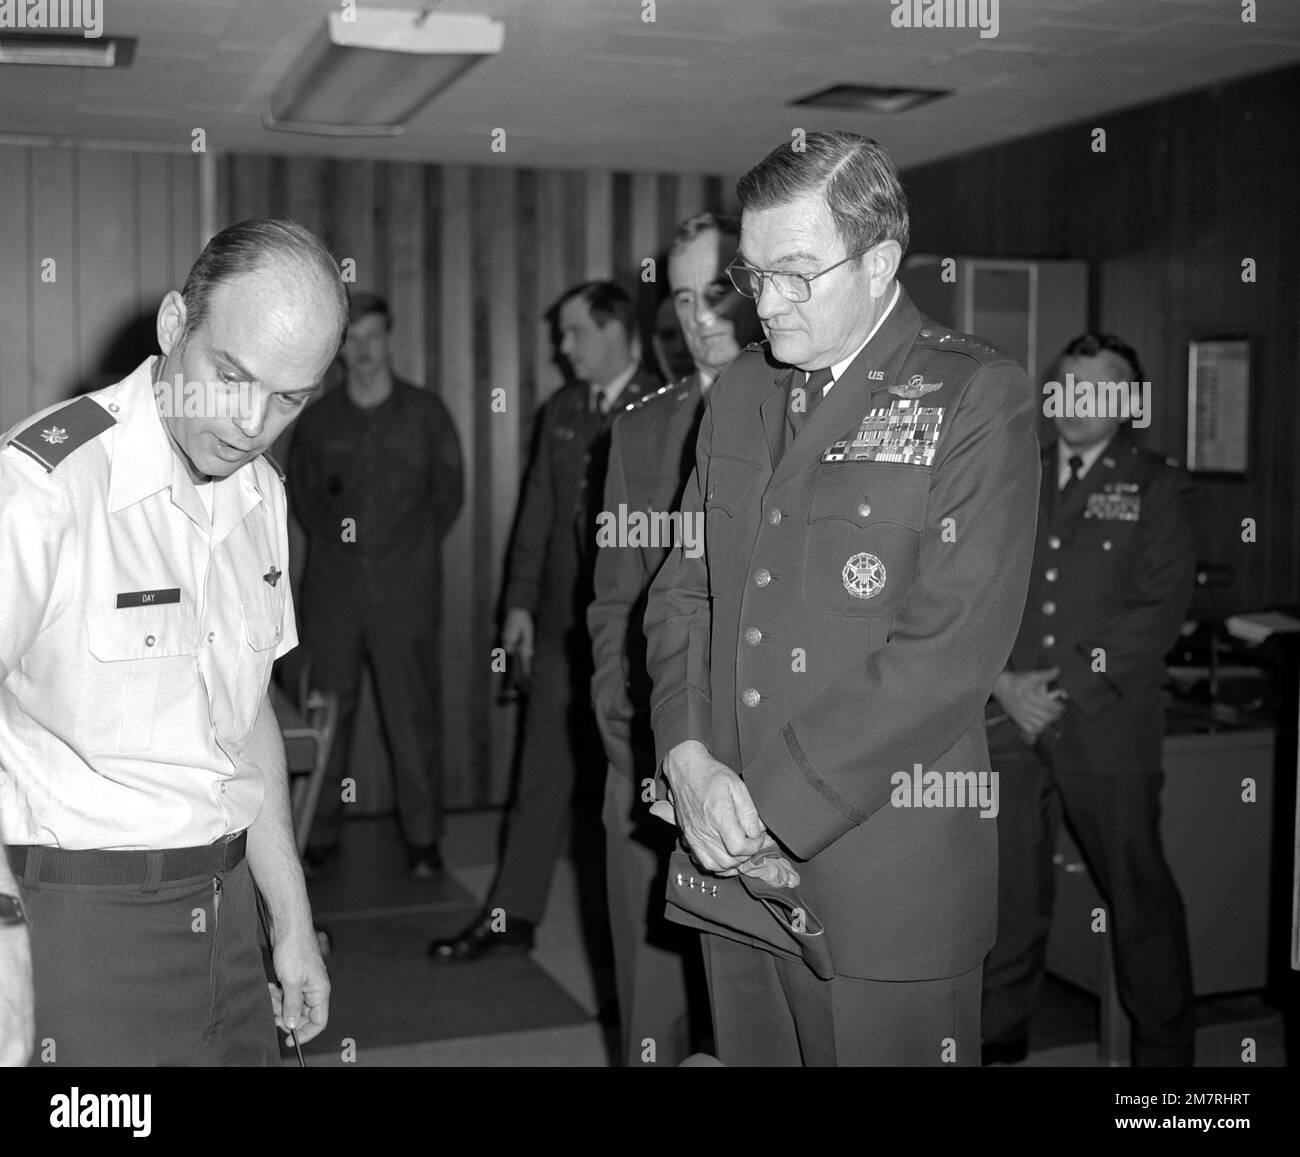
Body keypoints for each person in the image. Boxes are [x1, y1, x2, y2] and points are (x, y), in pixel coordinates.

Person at [642, 131, 1040, 1066]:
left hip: (882, 877)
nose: (764, 306)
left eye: (796, 274)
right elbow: (683, 588)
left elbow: (946, 652)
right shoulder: (740, 390)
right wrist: (689, 758)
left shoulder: (974, 393)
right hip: (727, 857)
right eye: (753, 274)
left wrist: (762, 806)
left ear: (881, 262)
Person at [0, 218, 338, 1066]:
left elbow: (245, 706)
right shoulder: (43, 487)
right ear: (172, 324)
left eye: (291, 399)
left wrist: (289, 919)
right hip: (80, 923)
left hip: (224, 914)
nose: (254, 424)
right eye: (232, 377)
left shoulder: (260, 494)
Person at [981, 333, 1197, 1067]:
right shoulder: (1017, 473)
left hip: (1107, 729)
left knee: (1139, 904)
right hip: (1011, 720)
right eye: (1067, 385)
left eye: (1097, 388)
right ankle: (998, 1045)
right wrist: (1003, 681)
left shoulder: (1157, 485)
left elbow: (1157, 610)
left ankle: (1165, 1076)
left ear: (1128, 403)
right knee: (1008, 903)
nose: (1076, 401)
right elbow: (975, 588)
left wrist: (1064, 685)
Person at [430, 281, 657, 961]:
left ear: (616, 330)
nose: (563, 348)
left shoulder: (669, 404)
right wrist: (520, 606)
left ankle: (647, 948)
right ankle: (512, 914)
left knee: (634, 789)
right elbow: (535, 513)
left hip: (636, 636)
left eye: (574, 333)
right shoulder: (562, 409)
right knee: (539, 774)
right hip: (563, 625)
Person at [589, 213, 761, 1065]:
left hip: (764, 765)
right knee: (651, 1004)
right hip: (649, 752)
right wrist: (622, 732)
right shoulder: (641, 426)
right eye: (685, 298)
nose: (701, 317)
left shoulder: (808, 412)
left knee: (752, 1011)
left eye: (719, 293)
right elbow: (615, 599)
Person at [288, 293, 463, 879]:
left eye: (373, 337)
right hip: (333, 593)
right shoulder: (317, 420)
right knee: (326, 714)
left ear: (391, 339)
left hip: (404, 591)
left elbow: (447, 497)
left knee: (412, 718)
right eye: (352, 339)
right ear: (340, 348)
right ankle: (318, 833)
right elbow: (306, 498)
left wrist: (399, 557)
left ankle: (423, 839)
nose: (363, 351)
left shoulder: (426, 415)